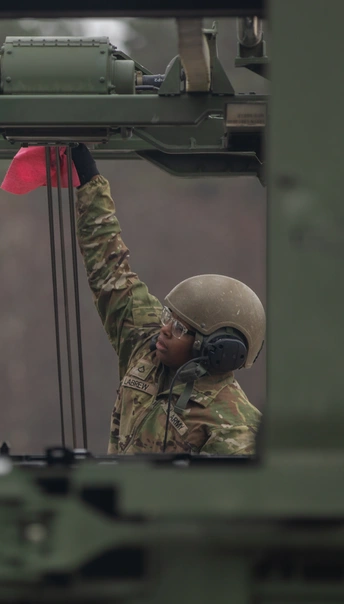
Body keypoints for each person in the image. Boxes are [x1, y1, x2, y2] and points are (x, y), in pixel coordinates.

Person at [67, 143, 265, 455]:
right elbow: (110, 271)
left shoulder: (235, 428)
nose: (165, 330)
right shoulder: (146, 349)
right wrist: (87, 176)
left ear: (217, 350)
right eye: (168, 318)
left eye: (181, 329)